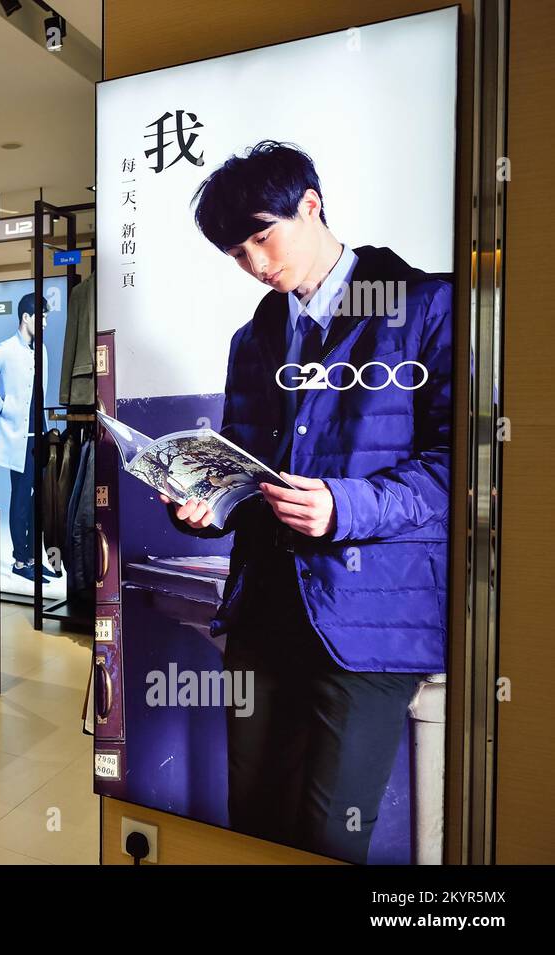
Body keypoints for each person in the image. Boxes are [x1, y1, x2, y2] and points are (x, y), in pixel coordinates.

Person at [171, 141, 451, 863]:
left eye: (263, 237)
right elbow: (241, 467)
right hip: (265, 611)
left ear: (311, 205)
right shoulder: (255, 337)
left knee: (332, 835)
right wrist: (204, 503)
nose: (257, 265)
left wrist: (345, 507)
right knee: (254, 819)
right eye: (237, 253)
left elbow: (465, 472)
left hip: (371, 626)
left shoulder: (426, 305)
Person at [0, 293, 52, 584]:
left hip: (39, 436)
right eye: (41, 317)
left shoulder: (41, 350)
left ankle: (33, 557)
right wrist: (3, 407)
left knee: (38, 502)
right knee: (21, 500)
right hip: (17, 438)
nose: (44, 321)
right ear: (26, 318)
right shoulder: (5, 350)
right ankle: (21, 561)